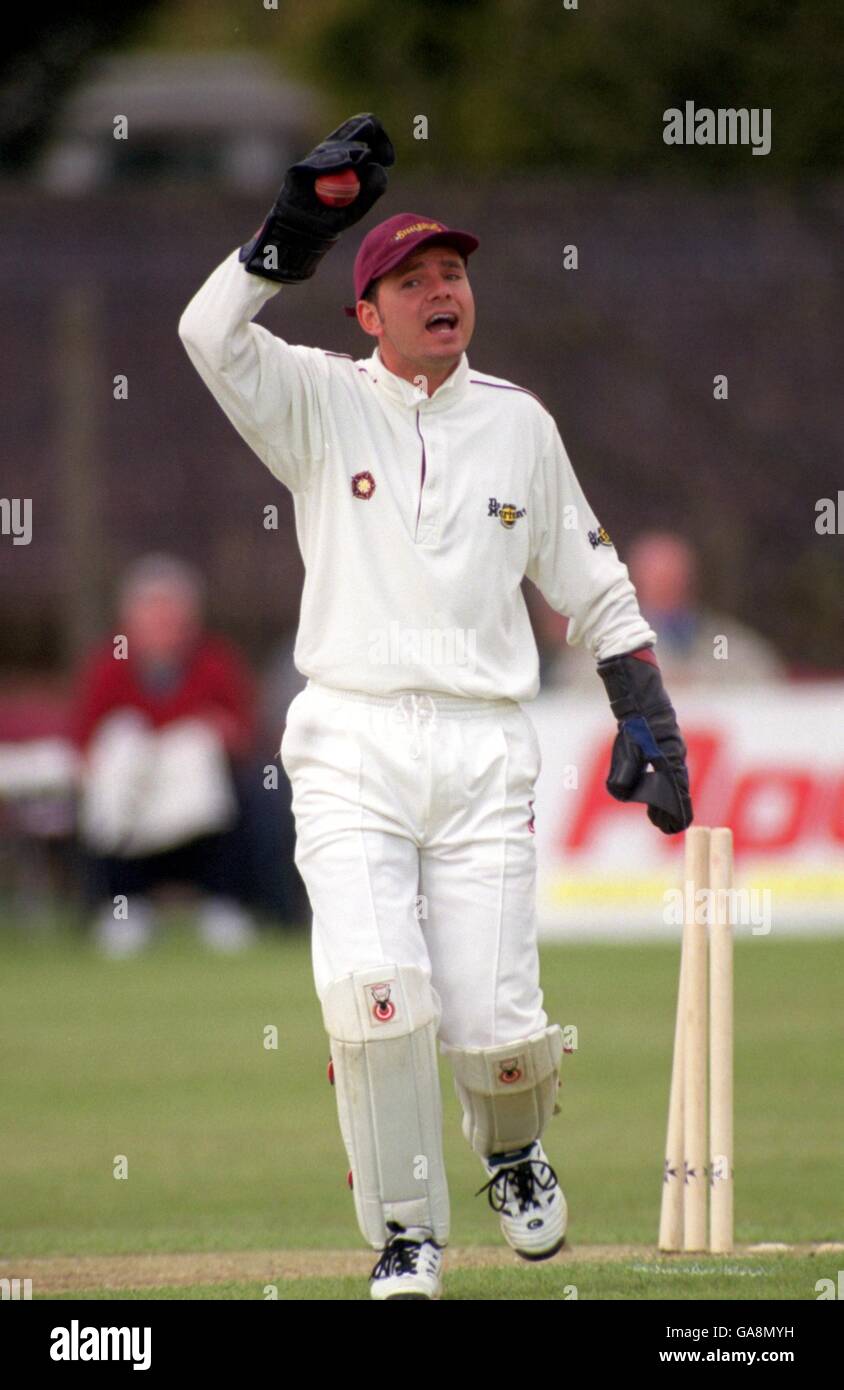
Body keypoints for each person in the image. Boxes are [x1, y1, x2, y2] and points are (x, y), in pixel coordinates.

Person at [178, 115, 693, 1300]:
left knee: (501, 1032)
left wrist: (645, 708)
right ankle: (406, 1236)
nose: (439, 292)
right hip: (352, 736)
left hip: (480, 748)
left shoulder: (517, 422)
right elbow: (205, 332)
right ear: (367, 314)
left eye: (452, 274)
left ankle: (511, 1150)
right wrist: (288, 232)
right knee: (376, 1001)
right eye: (410, 281)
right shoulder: (315, 403)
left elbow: (593, 580)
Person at [72, 553, 259, 956]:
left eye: (173, 617)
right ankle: (124, 905)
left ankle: (222, 903)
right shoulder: (108, 666)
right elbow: (87, 741)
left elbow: (242, 733)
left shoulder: (215, 662)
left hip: (200, 795)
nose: (165, 629)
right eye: (154, 616)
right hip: (133, 793)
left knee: (203, 761)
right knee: (120, 755)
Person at [545, 531, 786, 691]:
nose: (670, 589)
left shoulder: (734, 647)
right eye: (659, 582)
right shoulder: (594, 657)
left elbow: (769, 694)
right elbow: (572, 713)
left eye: (677, 580)